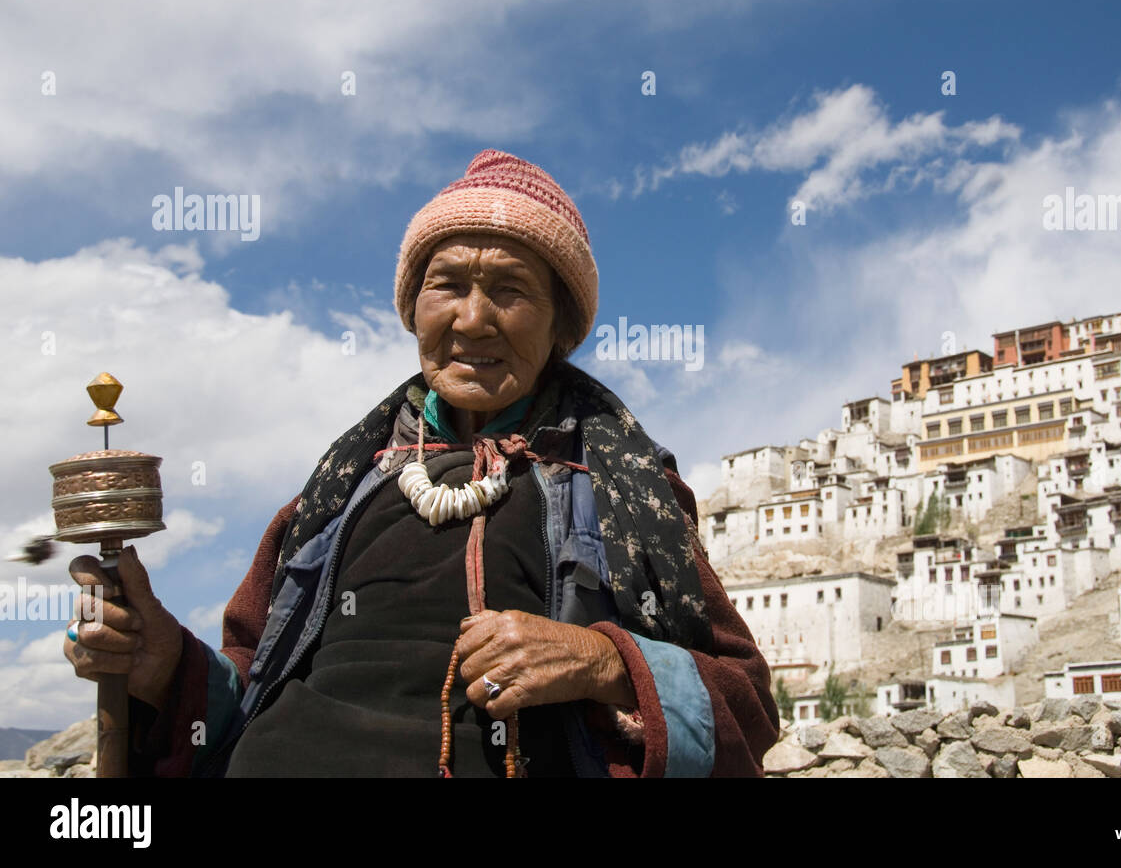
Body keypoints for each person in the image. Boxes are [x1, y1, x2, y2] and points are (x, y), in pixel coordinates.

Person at [63, 149, 780, 777]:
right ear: (413, 309)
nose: (473, 318)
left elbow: (746, 706)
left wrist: (600, 662)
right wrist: (162, 666)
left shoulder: (621, 491)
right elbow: (245, 692)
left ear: (560, 326)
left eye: (509, 289)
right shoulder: (337, 492)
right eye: (448, 286)